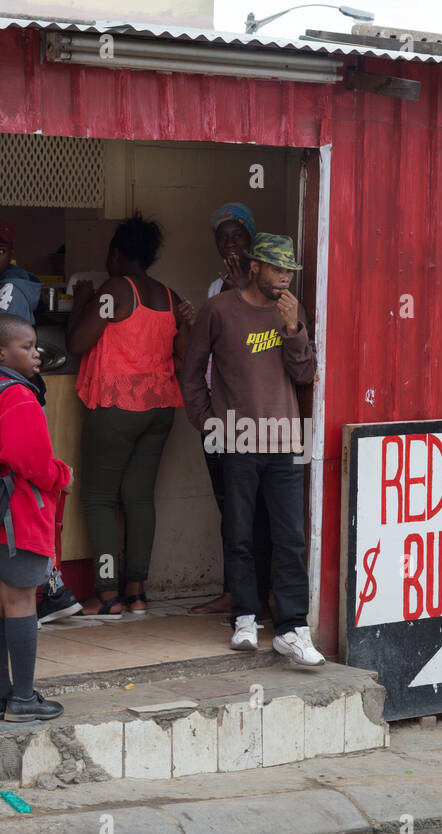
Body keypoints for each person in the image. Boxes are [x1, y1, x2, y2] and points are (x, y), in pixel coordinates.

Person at [181, 233, 324, 665]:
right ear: (255, 267)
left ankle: (293, 628)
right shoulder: (219, 309)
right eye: (277, 269)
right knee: (239, 533)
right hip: (237, 440)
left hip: (284, 442)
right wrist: (210, 427)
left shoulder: (291, 312)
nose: (284, 279)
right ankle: (245, 618)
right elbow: (192, 376)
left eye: (289, 272)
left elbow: (305, 373)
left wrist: (294, 329)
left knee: (290, 538)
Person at [67, 213, 195, 618]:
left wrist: (83, 302)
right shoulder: (171, 297)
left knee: (99, 499)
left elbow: (77, 342)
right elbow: (187, 357)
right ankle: (136, 592)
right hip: (159, 409)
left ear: (117, 254)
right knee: (139, 498)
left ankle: (106, 593)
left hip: (117, 405)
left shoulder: (115, 290)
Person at [0, 217, 83, 626]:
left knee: (31, 498)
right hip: (10, 403)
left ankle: (50, 589)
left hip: (15, 403)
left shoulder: (10, 289)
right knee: (27, 501)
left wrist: (58, 475)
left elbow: (1, 339)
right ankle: (51, 589)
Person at [0, 314, 71, 721]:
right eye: (27, 347)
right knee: (21, 599)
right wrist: (61, 474)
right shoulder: (18, 396)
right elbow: (30, 461)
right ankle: (25, 699)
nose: (37, 354)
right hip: (19, 515)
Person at [189, 202, 273, 618]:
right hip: (217, 414)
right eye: (222, 238)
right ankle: (235, 591)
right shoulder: (213, 289)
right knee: (229, 507)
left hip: (256, 416)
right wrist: (204, 415)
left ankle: (258, 597)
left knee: (258, 509)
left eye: (237, 235)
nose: (229, 244)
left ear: (252, 239)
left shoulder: (267, 289)